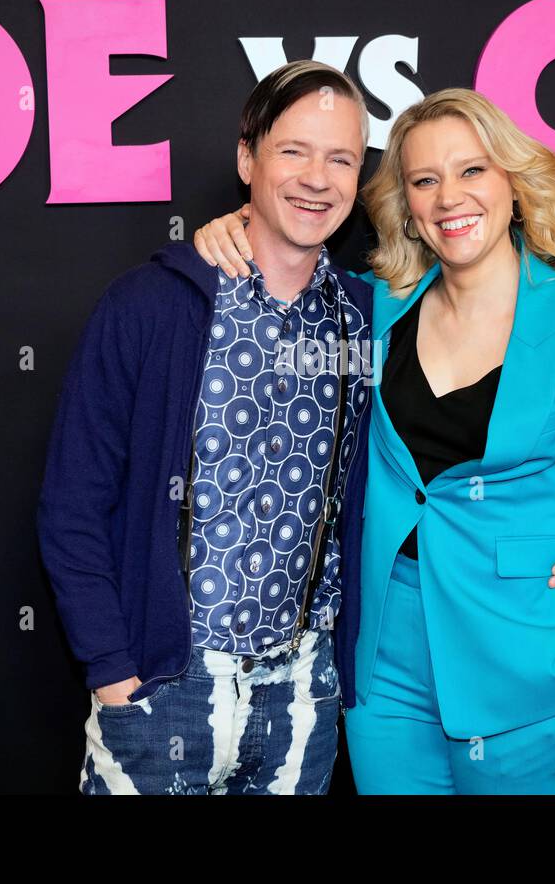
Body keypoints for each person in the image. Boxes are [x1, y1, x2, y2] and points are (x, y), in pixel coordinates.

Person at [192, 87, 555, 794]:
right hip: (386, 660)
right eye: (425, 180)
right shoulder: (372, 309)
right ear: (406, 203)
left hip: (524, 652)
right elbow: (283, 260)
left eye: (472, 171)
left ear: (512, 182)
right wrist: (232, 227)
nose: (449, 198)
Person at [36, 60, 375, 794]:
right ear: (247, 156)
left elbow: (460, 414)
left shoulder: (365, 317)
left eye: (341, 158)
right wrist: (115, 674)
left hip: (303, 695)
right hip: (164, 687)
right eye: (294, 151)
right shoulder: (153, 304)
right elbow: (73, 503)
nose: (317, 177)